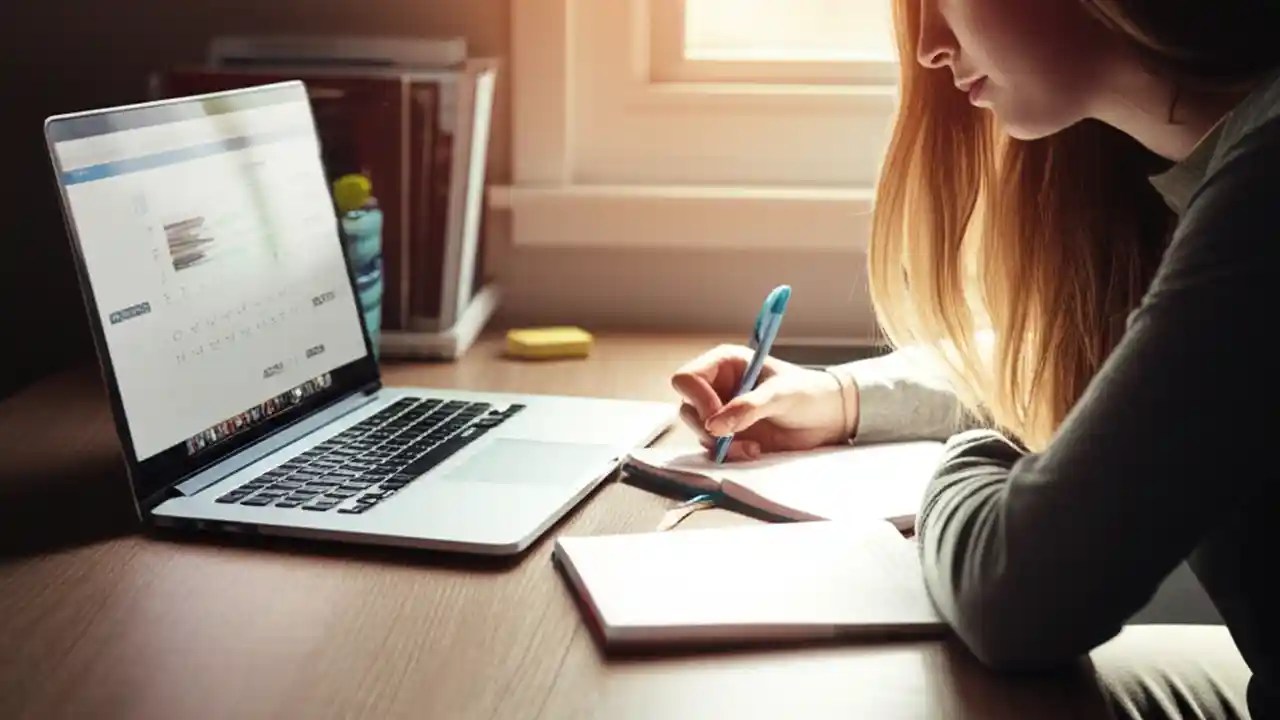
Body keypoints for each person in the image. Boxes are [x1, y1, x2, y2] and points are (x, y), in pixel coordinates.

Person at [670, 1, 1279, 718]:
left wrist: (963, 460)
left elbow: (1017, 596)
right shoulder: (1205, 166)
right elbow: (1134, 363)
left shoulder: (1265, 192)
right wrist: (842, 399)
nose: (928, 46)